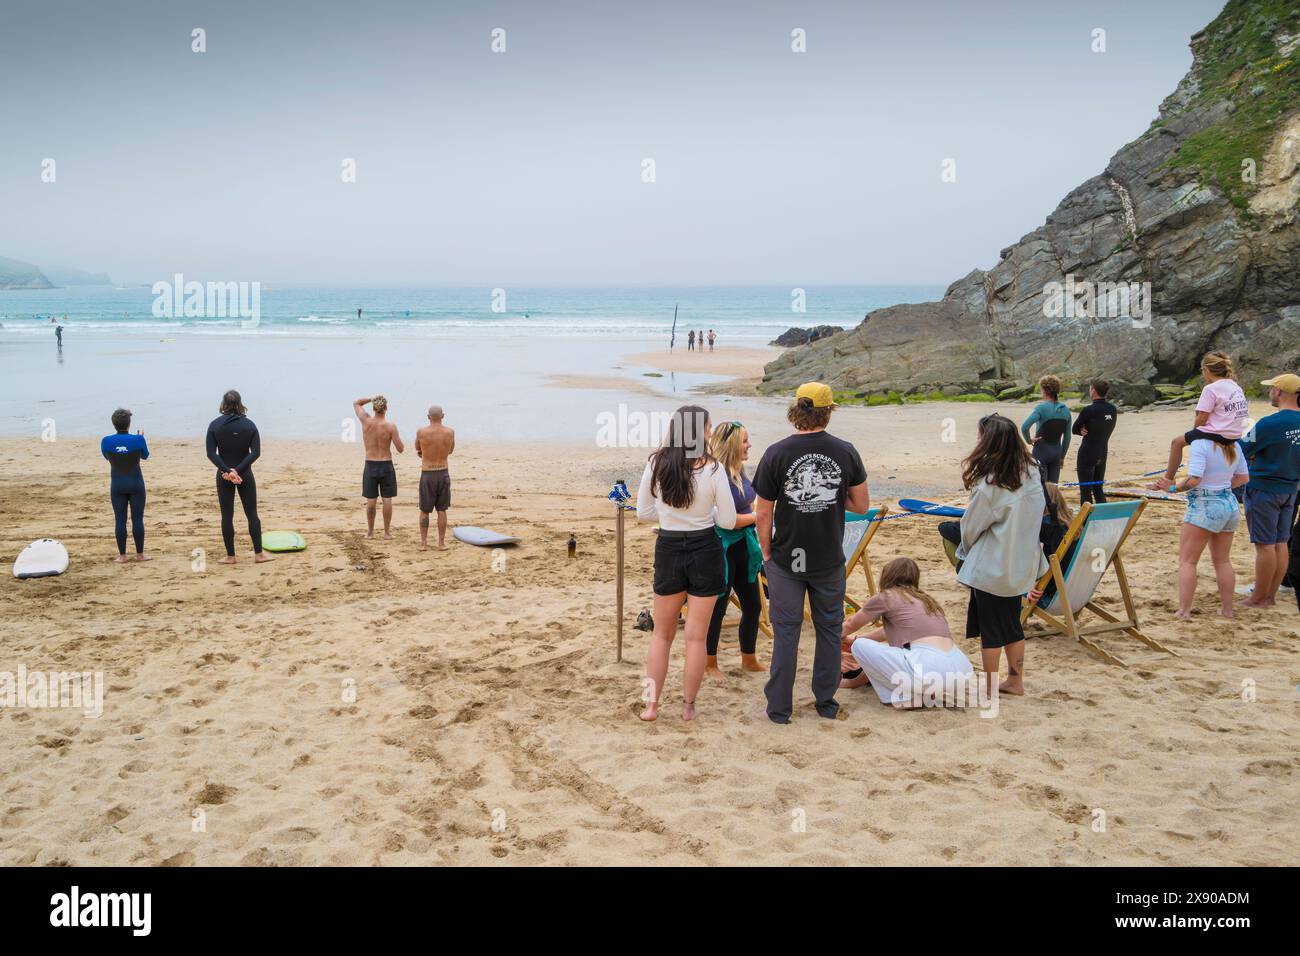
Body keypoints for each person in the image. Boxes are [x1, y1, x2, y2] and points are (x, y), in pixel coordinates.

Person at [753, 382, 869, 724]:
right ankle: (825, 701)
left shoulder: (776, 453)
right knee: (829, 629)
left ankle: (779, 708)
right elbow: (861, 505)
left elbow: (763, 512)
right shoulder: (845, 451)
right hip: (828, 556)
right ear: (828, 411)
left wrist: (767, 551)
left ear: (797, 410)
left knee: (786, 632)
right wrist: (833, 500)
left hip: (788, 557)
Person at [635, 405, 738, 721]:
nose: (710, 431)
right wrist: (705, 515)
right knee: (696, 636)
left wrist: (669, 515)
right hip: (705, 548)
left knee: (661, 636)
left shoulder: (657, 462)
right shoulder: (713, 468)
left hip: (669, 547)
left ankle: (652, 706)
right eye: (709, 426)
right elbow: (730, 520)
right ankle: (688, 707)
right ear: (703, 430)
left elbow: (643, 512)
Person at [953, 414, 1048, 696]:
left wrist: (967, 553)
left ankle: (992, 686)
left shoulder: (992, 484)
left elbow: (970, 527)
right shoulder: (1032, 473)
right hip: (1022, 562)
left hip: (994, 565)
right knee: (1011, 625)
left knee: (991, 630)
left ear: (989, 442)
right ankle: (1015, 681)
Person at [842, 558, 974, 706]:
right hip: (960, 671)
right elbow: (888, 632)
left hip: (929, 668)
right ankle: (928, 693)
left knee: (860, 647)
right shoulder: (927, 600)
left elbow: (849, 624)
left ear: (887, 577)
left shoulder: (887, 596)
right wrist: (853, 639)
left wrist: (833, 638)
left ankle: (908, 698)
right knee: (880, 650)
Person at [703, 421, 764, 679]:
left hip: (743, 544)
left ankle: (748, 658)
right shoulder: (713, 473)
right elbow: (724, 520)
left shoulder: (739, 470)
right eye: (745, 441)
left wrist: (755, 516)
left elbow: (748, 507)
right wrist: (760, 517)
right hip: (720, 546)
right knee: (718, 607)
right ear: (732, 445)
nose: (750, 445)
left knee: (753, 605)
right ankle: (709, 664)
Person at [1237, 373, 1300, 609]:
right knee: (1281, 542)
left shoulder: (1268, 424)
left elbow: (1240, 449)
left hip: (1264, 488)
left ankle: (1258, 598)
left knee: (1265, 545)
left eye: (1272, 389)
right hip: (1290, 488)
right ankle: (1270, 596)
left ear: (1279, 392)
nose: (1269, 393)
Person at [1148, 351, 1249, 492]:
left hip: (1219, 433)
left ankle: (1168, 481)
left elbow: (1201, 419)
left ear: (1206, 370)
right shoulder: (1235, 387)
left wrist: (1194, 435)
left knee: (1177, 443)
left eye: (1202, 371)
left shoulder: (1210, 389)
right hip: (1236, 433)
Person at [1173, 433, 1249, 618]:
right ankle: (1227, 610)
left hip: (1206, 502)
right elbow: (1243, 477)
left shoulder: (1201, 443)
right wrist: (1221, 485)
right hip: (1228, 503)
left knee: (1188, 561)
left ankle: (1184, 611)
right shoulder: (1233, 445)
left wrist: (1172, 488)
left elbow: (1194, 480)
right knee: (1222, 560)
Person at [206, 390, 270, 564]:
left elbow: (211, 454)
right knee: (252, 514)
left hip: (223, 475)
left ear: (223, 404)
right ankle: (258, 554)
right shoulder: (249, 425)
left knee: (227, 516)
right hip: (245, 474)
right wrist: (238, 471)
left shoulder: (214, 425)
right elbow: (255, 453)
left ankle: (230, 556)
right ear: (240, 404)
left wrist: (227, 471)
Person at [101, 408, 150, 562]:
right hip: (136, 484)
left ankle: (122, 556)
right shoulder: (138, 439)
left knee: (120, 520)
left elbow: (107, 457)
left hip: (117, 485)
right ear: (129, 423)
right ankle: (140, 555)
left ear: (113, 424)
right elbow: (145, 456)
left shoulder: (106, 441)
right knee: (137, 519)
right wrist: (140, 438)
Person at [353, 395, 405, 539]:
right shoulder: (390, 426)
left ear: (374, 408)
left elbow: (356, 403)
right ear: (386, 408)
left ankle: (370, 533)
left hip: (370, 464)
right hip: (386, 464)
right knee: (387, 500)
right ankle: (387, 533)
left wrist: (372, 398)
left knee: (371, 501)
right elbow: (400, 449)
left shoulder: (366, 421)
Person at [415, 405, 455, 551]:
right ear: (443, 416)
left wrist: (424, 453)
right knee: (442, 509)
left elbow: (418, 448)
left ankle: (424, 544)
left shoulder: (421, 432)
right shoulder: (450, 432)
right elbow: (450, 450)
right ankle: (441, 543)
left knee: (424, 510)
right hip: (443, 472)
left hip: (427, 473)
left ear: (428, 417)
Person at [1072, 379, 1117, 504]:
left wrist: (1081, 430)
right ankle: (1102, 519)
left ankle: (1086, 522)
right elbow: (1104, 426)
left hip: (1087, 453)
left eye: (1090, 389)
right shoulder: (1112, 409)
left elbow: (1074, 429)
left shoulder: (1089, 410)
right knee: (1098, 490)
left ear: (1093, 391)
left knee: (1085, 491)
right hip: (1102, 452)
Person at [1020, 374, 1071, 483]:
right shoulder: (1065, 410)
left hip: (1041, 451)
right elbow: (1067, 438)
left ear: (1044, 390)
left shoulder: (1041, 408)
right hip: (1057, 452)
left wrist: (1029, 441)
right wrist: (1062, 457)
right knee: (1053, 488)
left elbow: (1025, 427)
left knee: (1040, 487)